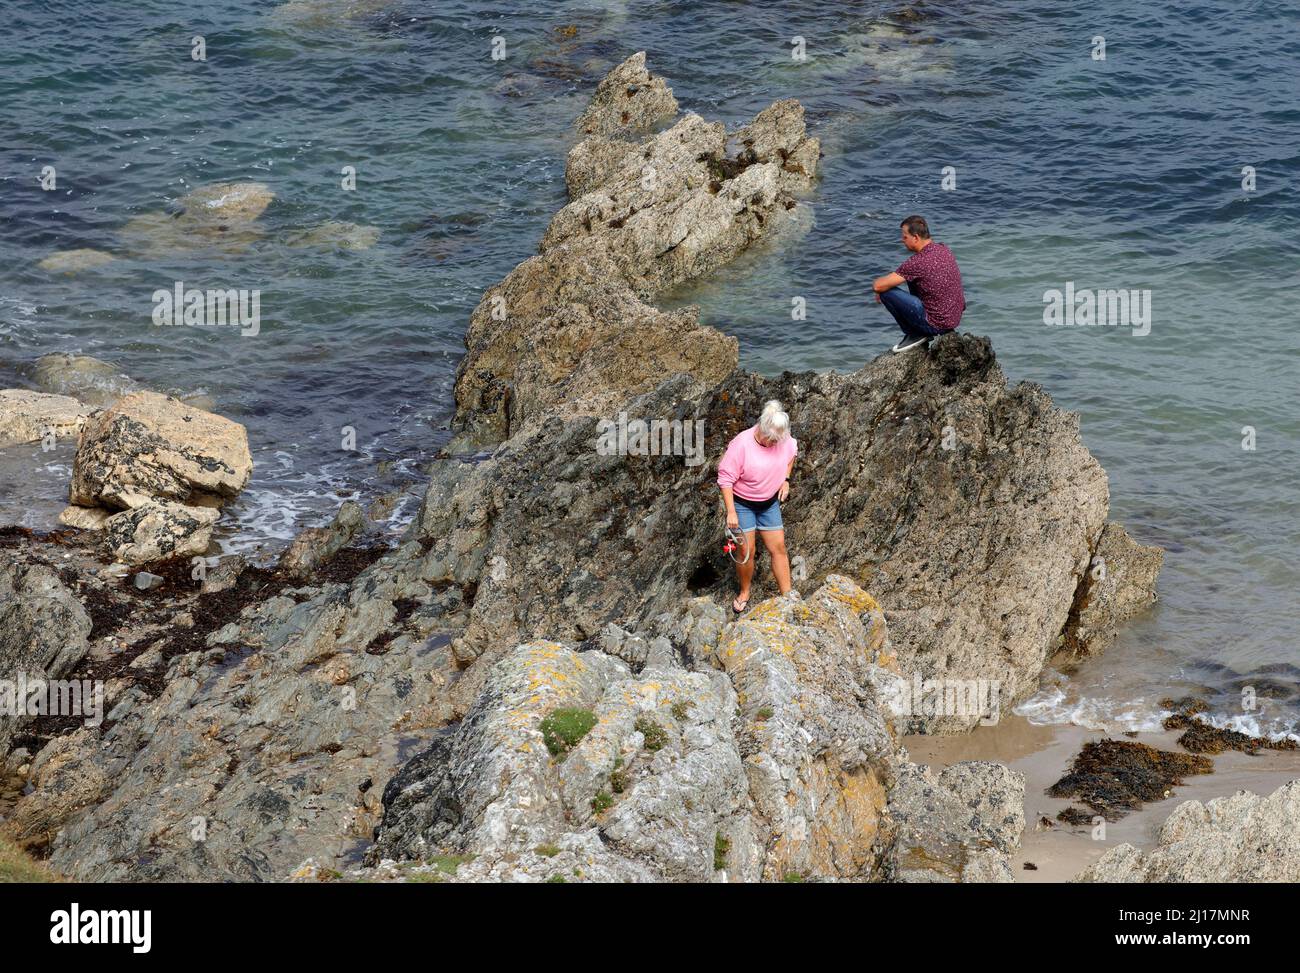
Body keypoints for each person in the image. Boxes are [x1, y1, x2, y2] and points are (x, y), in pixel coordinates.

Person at [717, 400, 797, 614]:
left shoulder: (782, 439)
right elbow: (725, 479)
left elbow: (792, 453)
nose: (775, 444)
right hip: (743, 505)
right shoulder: (741, 444)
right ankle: (744, 592)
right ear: (763, 431)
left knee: (778, 548)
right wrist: (731, 512)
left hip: (769, 503)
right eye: (772, 441)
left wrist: (786, 479)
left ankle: (788, 596)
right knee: (746, 551)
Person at [872, 214, 966, 353]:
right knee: (911, 281)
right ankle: (926, 329)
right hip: (952, 319)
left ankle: (916, 333)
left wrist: (880, 290)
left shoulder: (917, 262)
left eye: (905, 237)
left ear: (915, 237)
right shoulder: (943, 249)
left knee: (886, 292)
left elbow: (878, 286)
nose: (902, 240)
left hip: (935, 324)